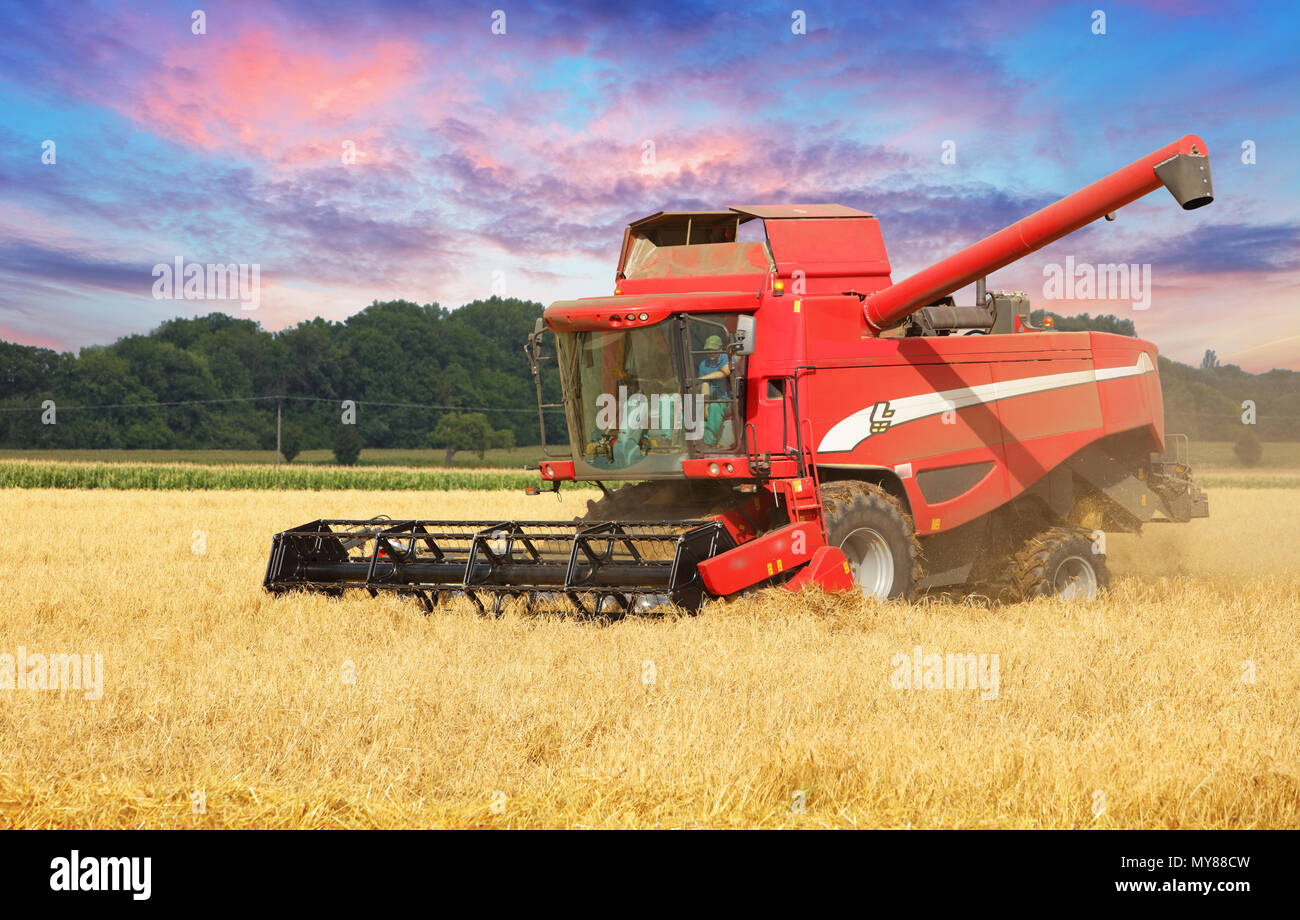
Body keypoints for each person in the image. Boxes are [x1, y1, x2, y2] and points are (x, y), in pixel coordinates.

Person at [697, 334, 731, 446]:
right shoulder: (704, 364)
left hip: (729, 400)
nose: (710, 352)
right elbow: (705, 386)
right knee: (688, 405)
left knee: (715, 407)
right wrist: (705, 405)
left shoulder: (728, 359)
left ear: (720, 349)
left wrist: (703, 377)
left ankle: (707, 444)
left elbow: (724, 372)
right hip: (712, 399)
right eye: (708, 349)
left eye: (713, 349)